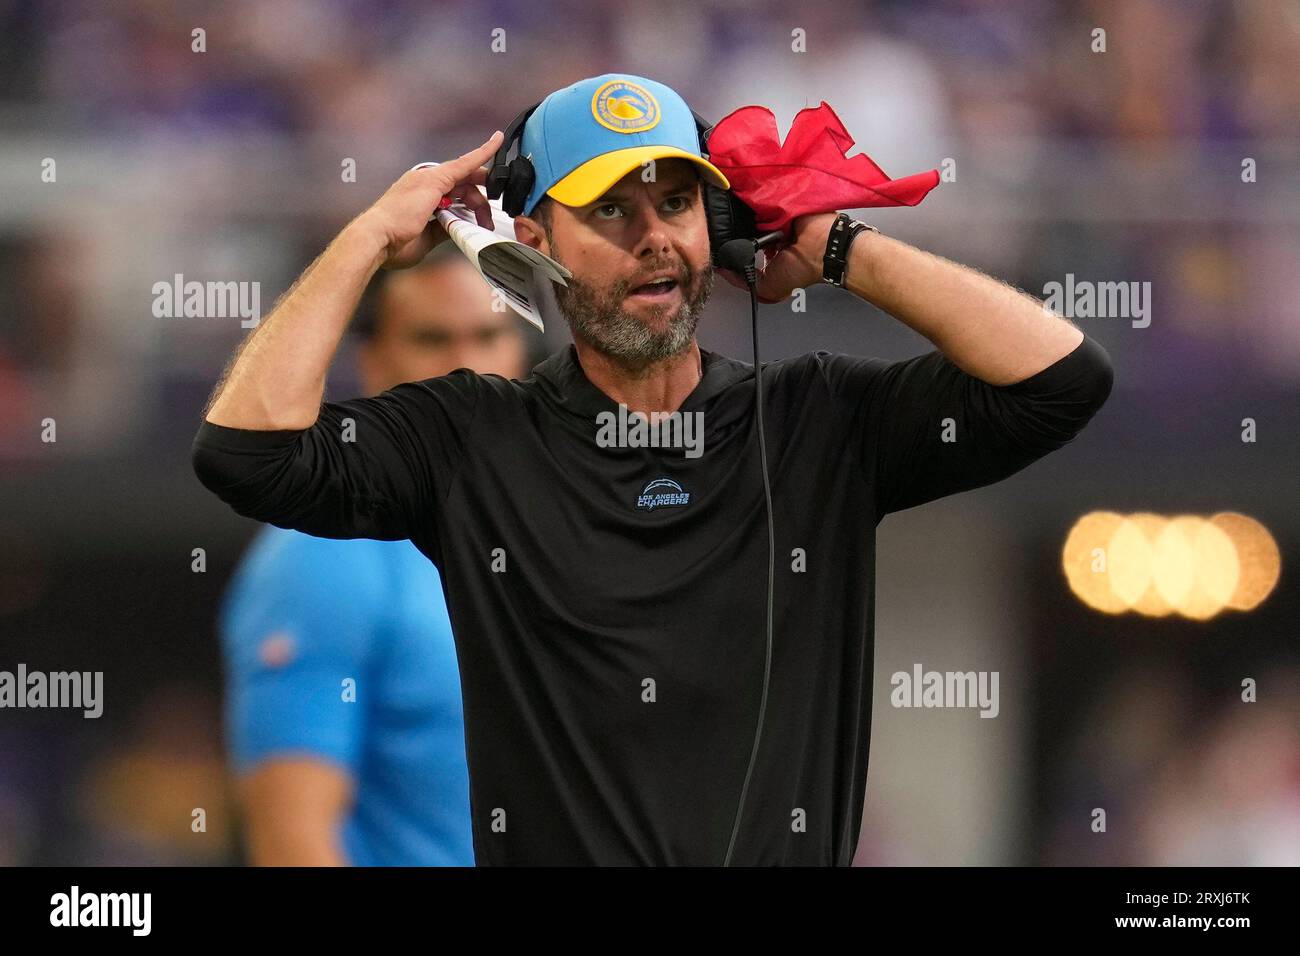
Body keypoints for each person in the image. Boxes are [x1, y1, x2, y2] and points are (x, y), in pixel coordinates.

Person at [192, 73, 1113, 865]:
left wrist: (836, 247)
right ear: (536, 241)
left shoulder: (817, 420)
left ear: (717, 224)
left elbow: (1061, 380)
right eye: (609, 211)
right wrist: (369, 241)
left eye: (676, 203)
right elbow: (247, 451)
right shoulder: (471, 436)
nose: (655, 237)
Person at [219, 243, 528, 866]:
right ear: (372, 360)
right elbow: (292, 845)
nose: (466, 365)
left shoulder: (557, 524)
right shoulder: (321, 555)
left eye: (489, 334)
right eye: (432, 338)